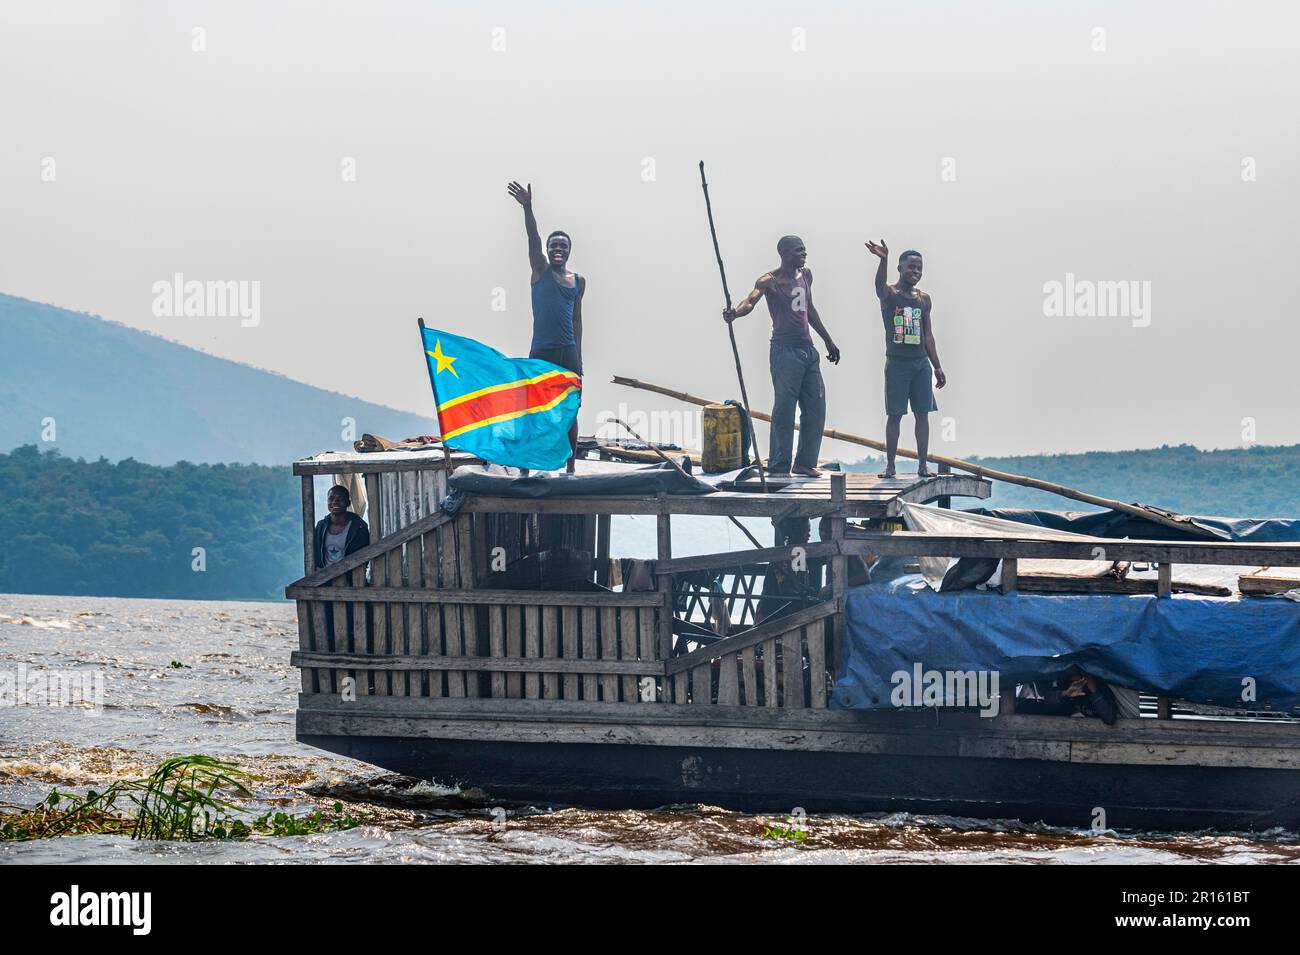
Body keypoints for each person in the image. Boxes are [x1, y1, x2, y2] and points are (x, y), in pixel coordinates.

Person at [724, 235, 840, 477]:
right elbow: (750, 301)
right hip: (784, 352)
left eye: (804, 250)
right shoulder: (770, 281)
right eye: (799, 251)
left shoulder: (806, 275)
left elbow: (811, 310)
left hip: (808, 351)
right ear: (784, 254)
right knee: (784, 409)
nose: (804, 254)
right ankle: (779, 465)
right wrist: (734, 313)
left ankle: (804, 462)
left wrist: (828, 339)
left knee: (816, 407)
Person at [507, 180, 584, 473]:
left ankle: (571, 467)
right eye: (554, 246)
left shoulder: (578, 282)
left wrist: (580, 358)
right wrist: (527, 207)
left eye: (562, 246)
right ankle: (526, 465)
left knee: (570, 409)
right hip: (541, 350)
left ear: (569, 251)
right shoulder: (539, 270)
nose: (557, 250)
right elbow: (532, 238)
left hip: (568, 352)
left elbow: (577, 319)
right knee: (534, 408)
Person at [865, 240, 946, 477]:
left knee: (923, 414)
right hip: (897, 363)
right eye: (911, 267)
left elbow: (928, 335)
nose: (916, 272)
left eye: (919, 268)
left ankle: (922, 465)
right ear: (900, 268)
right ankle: (890, 465)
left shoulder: (924, 299)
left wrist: (937, 366)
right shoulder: (890, 295)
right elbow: (879, 286)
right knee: (895, 415)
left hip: (920, 364)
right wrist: (883, 260)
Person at [314, 485, 370, 570]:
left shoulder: (359, 528)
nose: (335, 502)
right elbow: (315, 552)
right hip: (323, 579)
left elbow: (364, 557)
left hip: (350, 580)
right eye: (331, 499)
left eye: (340, 499)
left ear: (348, 503)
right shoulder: (321, 526)